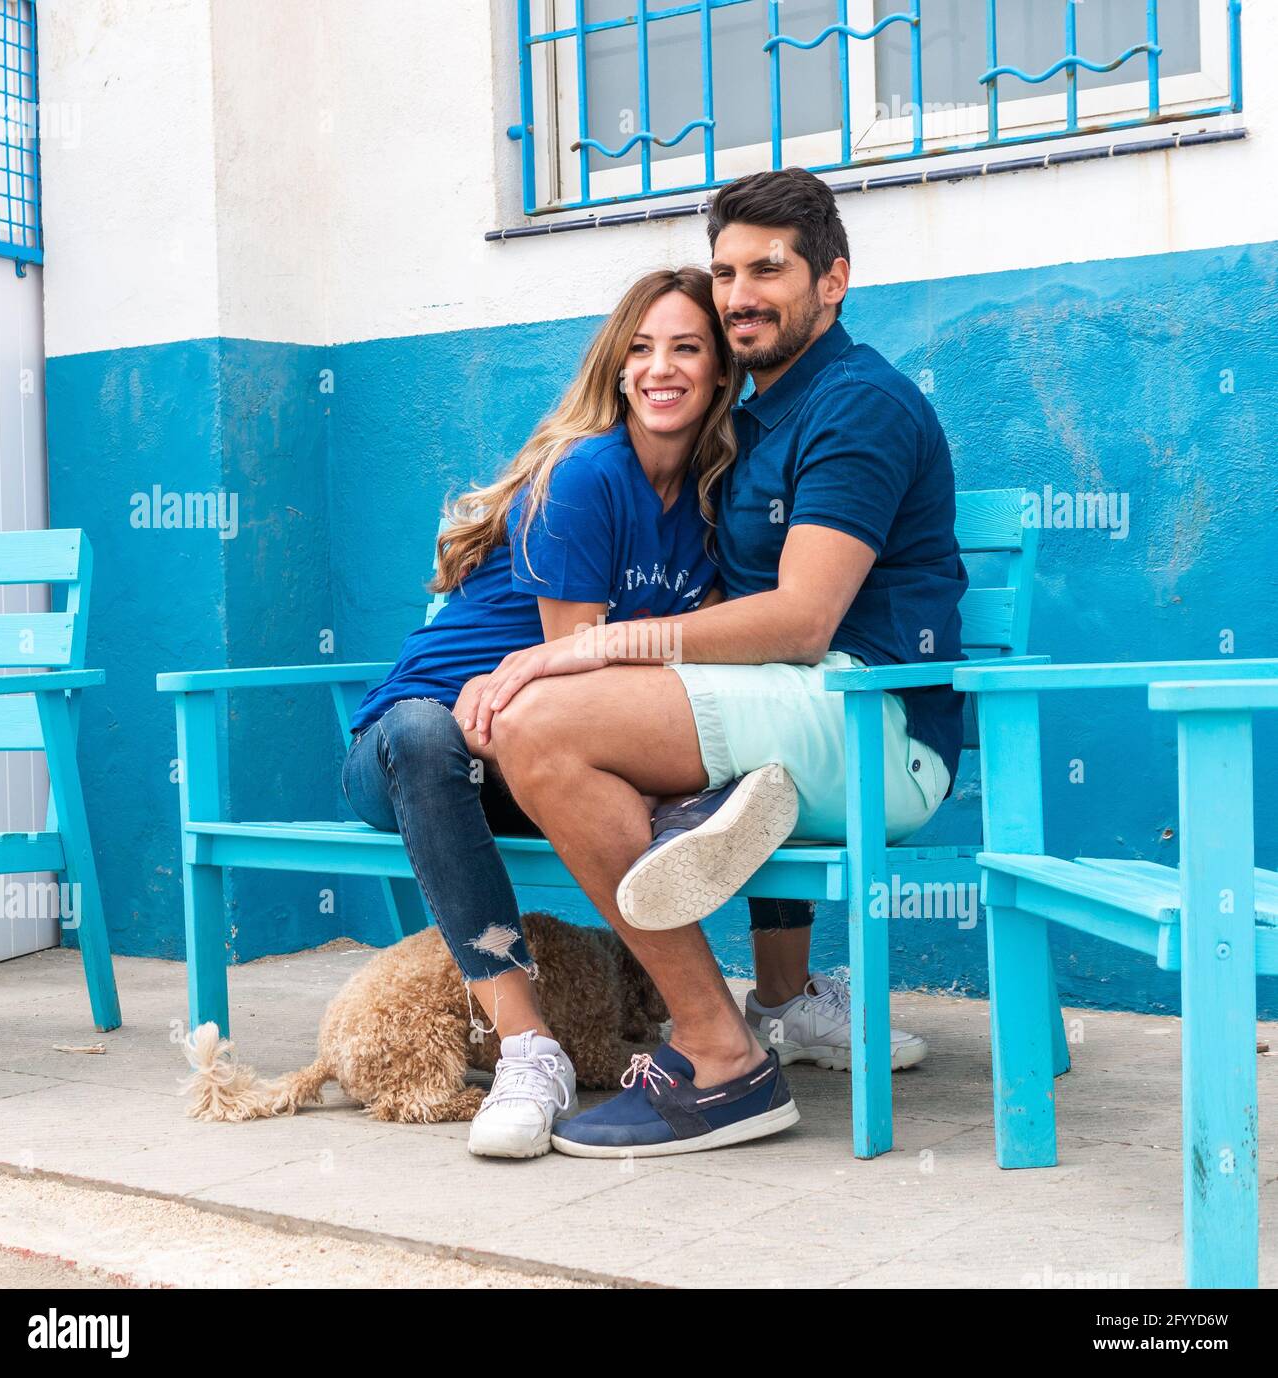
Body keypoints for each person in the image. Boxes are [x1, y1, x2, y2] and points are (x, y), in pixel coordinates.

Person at [457, 168, 968, 1157]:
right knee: (550, 709)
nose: (739, 293)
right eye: (727, 270)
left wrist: (593, 652)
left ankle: (719, 1057)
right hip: (798, 709)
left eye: (768, 268)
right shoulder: (754, 419)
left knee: (537, 729)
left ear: (833, 280)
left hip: (877, 725)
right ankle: (737, 927)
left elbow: (804, 619)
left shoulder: (857, 404)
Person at [341, 266, 755, 1158]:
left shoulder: (715, 499)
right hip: (412, 752)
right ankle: (528, 1048)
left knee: (733, 733)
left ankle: (761, 1008)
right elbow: (577, 684)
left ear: (721, 371)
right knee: (427, 730)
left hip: (529, 759)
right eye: (641, 349)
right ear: (615, 368)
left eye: (687, 348)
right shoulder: (589, 474)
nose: (662, 368)